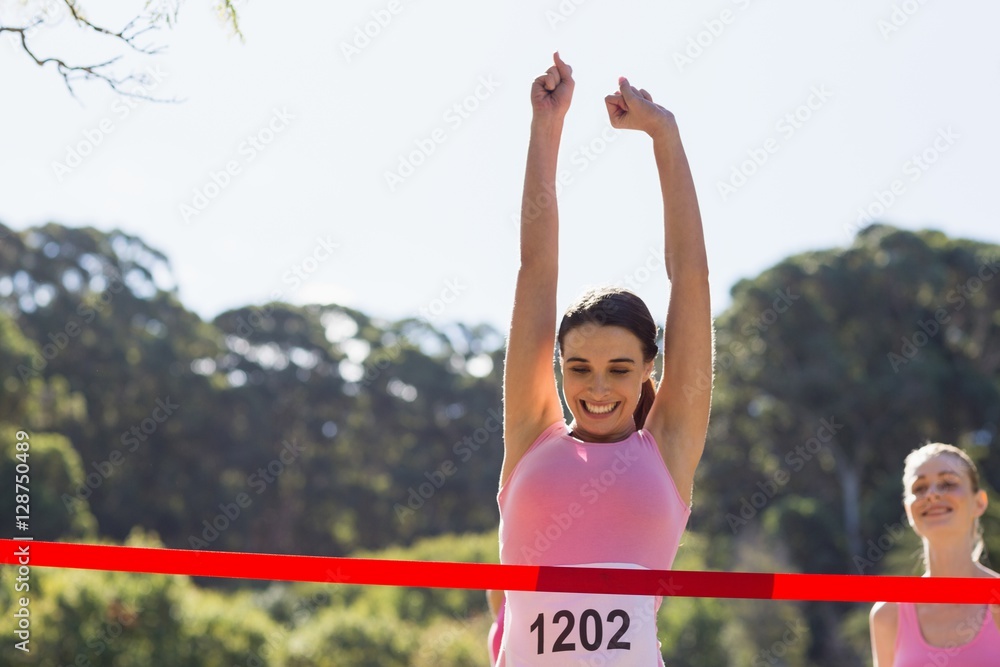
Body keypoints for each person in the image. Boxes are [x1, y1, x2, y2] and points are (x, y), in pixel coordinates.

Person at [497, 52, 712, 666]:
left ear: (651, 368)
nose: (596, 388)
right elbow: (535, 270)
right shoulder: (530, 433)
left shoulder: (668, 446)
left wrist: (663, 135)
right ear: (557, 365)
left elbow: (690, 278)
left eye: (620, 369)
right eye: (579, 368)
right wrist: (547, 125)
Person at [869, 443, 1000, 666]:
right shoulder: (887, 615)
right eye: (919, 488)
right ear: (908, 509)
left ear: (979, 502)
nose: (932, 494)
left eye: (948, 483)